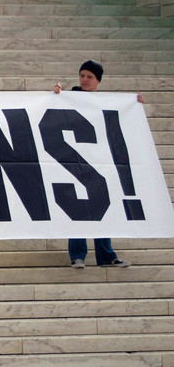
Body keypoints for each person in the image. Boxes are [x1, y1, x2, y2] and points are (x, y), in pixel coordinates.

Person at [53, 60, 143, 269]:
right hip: (75, 161)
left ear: (98, 80)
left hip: (100, 163)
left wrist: (135, 105)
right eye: (82, 75)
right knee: (78, 209)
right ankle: (77, 255)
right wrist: (54, 95)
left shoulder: (106, 101)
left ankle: (106, 255)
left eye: (89, 77)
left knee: (104, 209)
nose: (84, 80)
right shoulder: (70, 97)